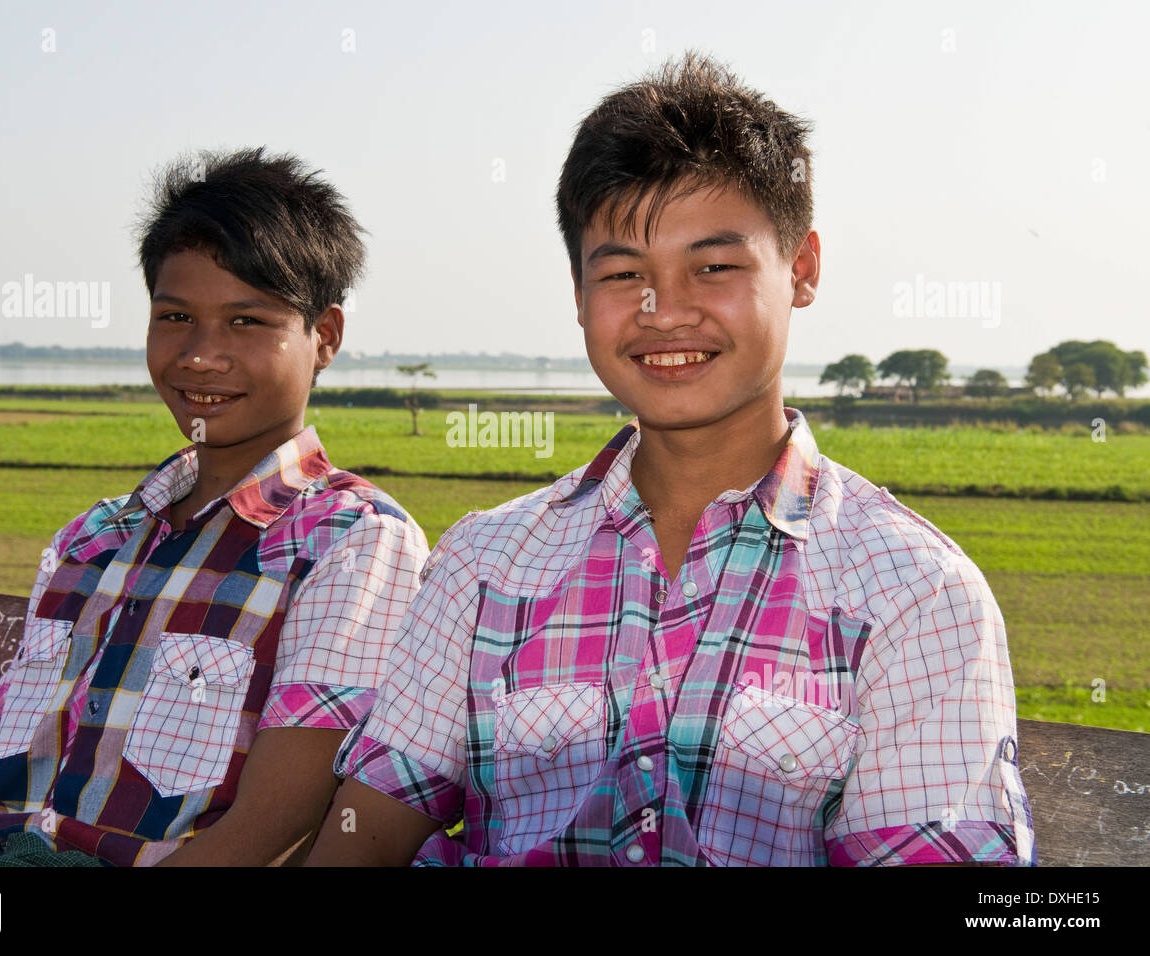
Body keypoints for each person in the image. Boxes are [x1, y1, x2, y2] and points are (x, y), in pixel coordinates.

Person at [306, 53, 1035, 866]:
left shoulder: (913, 592)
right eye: (623, 273)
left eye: (714, 266)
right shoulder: (484, 564)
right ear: (579, 296)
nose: (665, 310)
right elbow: (362, 835)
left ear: (801, 269)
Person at [0, 147, 430, 866]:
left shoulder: (349, 541)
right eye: (175, 316)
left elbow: (282, 817)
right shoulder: (92, 538)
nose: (201, 355)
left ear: (325, 337)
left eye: (247, 322)